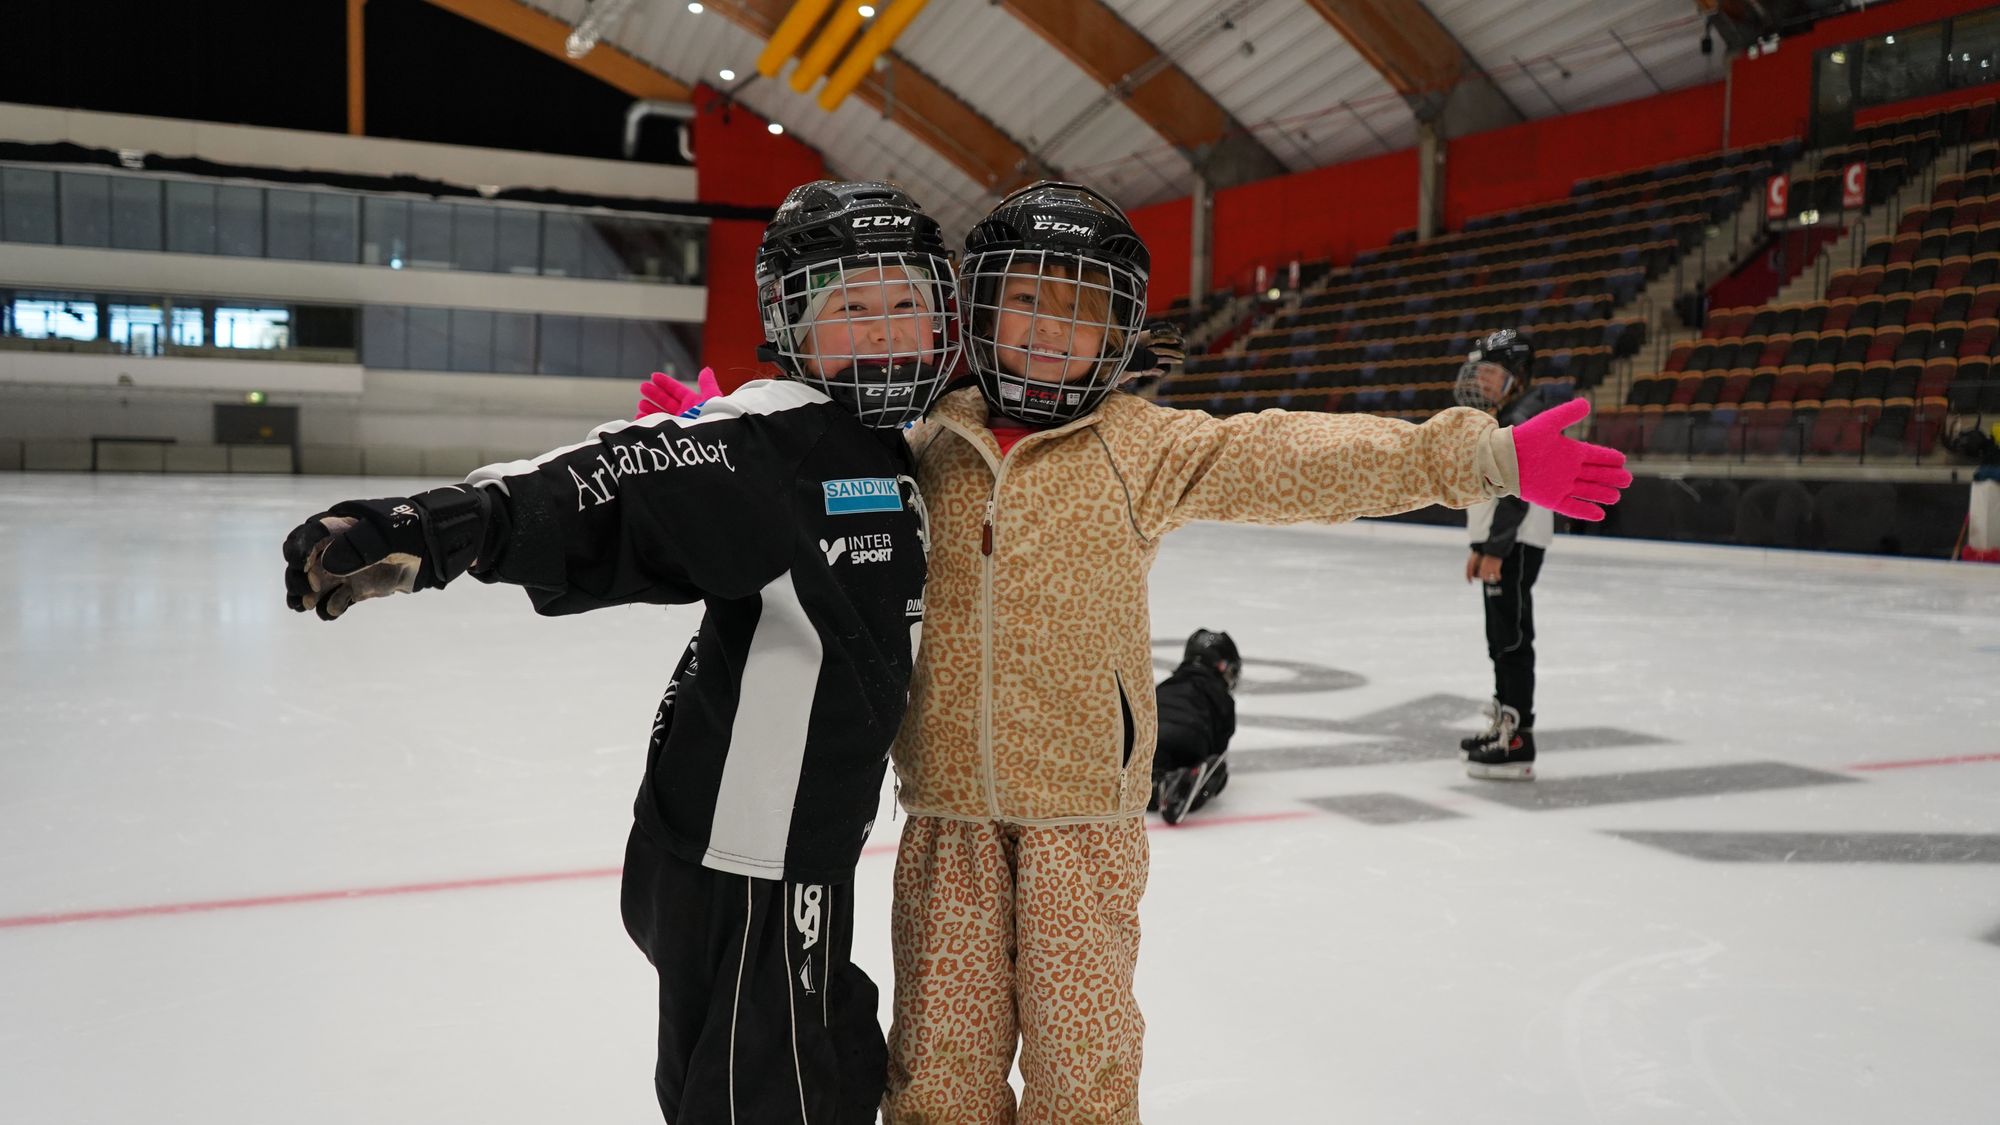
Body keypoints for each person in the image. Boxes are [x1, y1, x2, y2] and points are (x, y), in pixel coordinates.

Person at [877, 181, 1631, 1123]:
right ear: (981, 306)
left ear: (1117, 331)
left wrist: (1478, 459)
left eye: (1080, 308)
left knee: (1084, 1075)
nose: (1050, 328)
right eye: (1027, 298)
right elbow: (804, 466)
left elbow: (1288, 457)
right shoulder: (924, 439)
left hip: (1082, 820)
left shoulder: (1139, 446)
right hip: (947, 814)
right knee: (937, 1073)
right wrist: (733, 443)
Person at [281, 179, 958, 1125]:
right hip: (751, 869)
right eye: (852, 308)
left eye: (905, 304)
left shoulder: (883, 441)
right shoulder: (779, 437)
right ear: (792, 322)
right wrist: (445, 525)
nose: (885, 332)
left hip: (776, 852)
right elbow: (622, 478)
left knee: (827, 1067)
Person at [1452, 328, 1575, 781]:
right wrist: (1480, 546)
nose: (1480, 381)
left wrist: (1496, 549)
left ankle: (1518, 739)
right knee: (1501, 639)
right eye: (1479, 373)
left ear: (1517, 376)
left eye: (1490, 372)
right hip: (1505, 543)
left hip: (1515, 543)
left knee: (1512, 641)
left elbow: (1516, 493)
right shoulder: (1507, 415)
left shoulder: (1522, 419)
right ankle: (1506, 722)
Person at [1150, 628, 1240, 825]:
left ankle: (1156, 785)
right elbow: (1221, 742)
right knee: (1217, 771)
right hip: (1193, 738)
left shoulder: (1166, 685)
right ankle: (1186, 782)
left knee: (1150, 770)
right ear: (1222, 666)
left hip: (1153, 738)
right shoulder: (1221, 696)